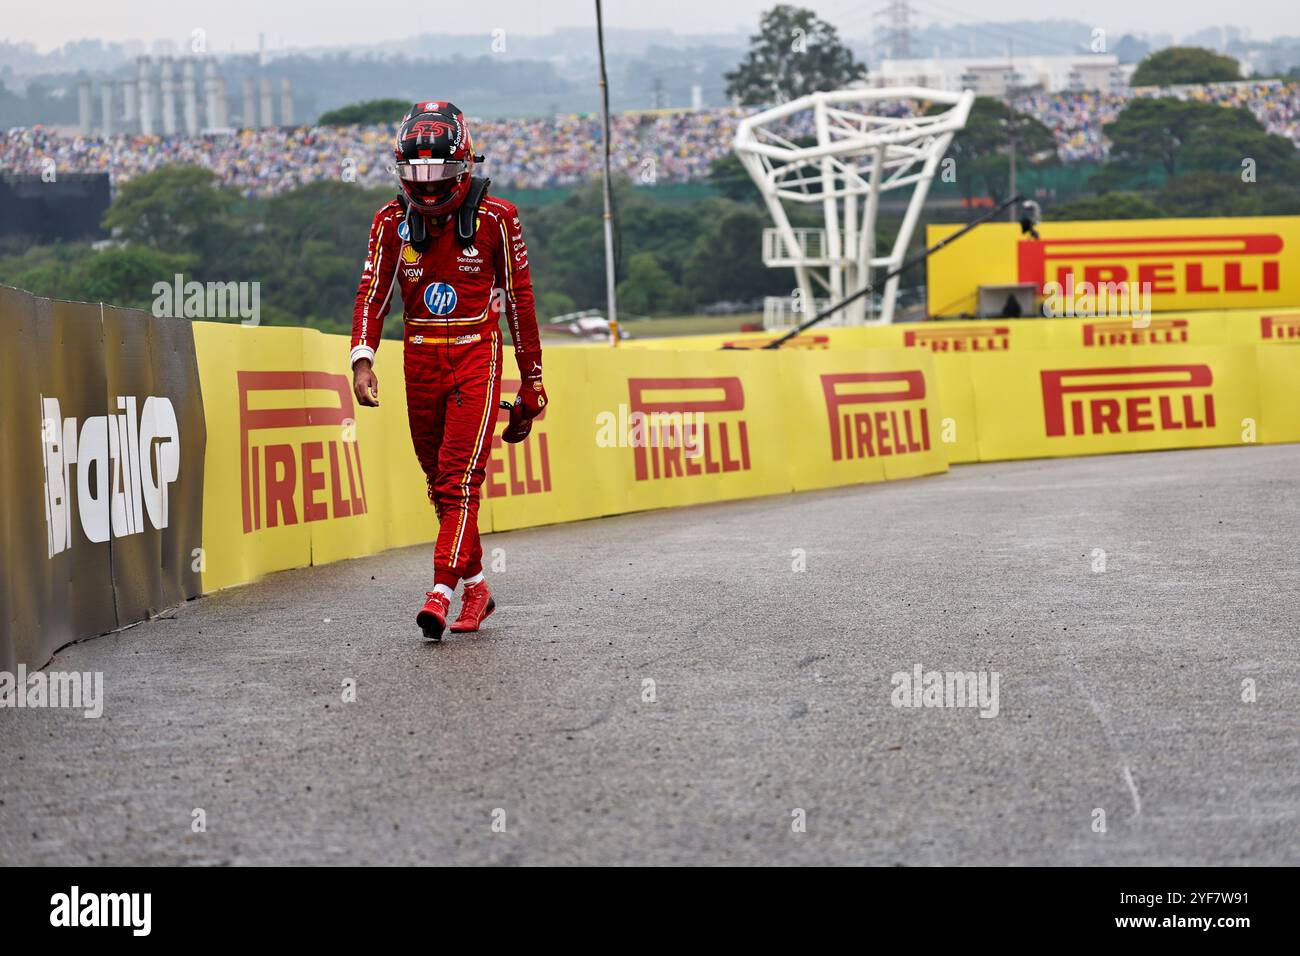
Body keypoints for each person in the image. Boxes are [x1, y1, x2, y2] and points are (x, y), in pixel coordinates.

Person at [349, 100, 547, 641]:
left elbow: (521, 302)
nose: (429, 183)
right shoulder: (389, 221)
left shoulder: (498, 218)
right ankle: (477, 588)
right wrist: (363, 358)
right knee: (439, 483)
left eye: (440, 170)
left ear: (465, 164)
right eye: (417, 172)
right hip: (418, 358)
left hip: (475, 354)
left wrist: (532, 382)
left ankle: (440, 591)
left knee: (459, 479)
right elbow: (372, 294)